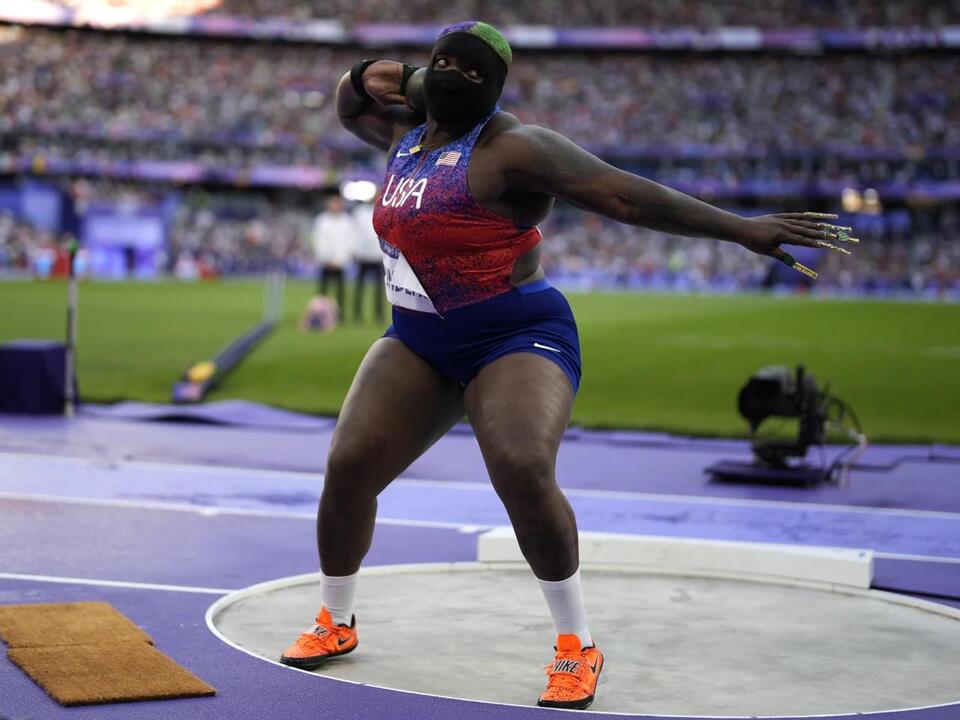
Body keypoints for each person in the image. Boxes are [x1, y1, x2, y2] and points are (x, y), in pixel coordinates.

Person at [280, 21, 853, 710]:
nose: (455, 80)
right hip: (420, 340)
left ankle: (576, 644)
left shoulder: (513, 148)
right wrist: (381, 68)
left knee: (521, 466)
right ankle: (335, 619)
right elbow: (349, 100)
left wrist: (742, 229)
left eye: (472, 74)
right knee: (348, 468)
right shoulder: (404, 137)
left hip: (516, 336)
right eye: (444, 68)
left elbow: (623, 195)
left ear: (494, 91)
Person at [310, 195, 356, 320]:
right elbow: (318, 240)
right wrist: (326, 258)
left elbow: (350, 242)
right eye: (333, 203)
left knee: (340, 290)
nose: (335, 206)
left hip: (340, 262)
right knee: (323, 290)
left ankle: (339, 315)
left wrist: (340, 258)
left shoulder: (347, 221)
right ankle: (319, 314)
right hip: (326, 262)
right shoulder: (322, 221)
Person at [350, 199, 386, 322]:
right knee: (359, 287)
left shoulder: (383, 211)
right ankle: (357, 313)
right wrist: (354, 249)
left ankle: (379, 314)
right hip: (363, 255)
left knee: (379, 288)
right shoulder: (360, 212)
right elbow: (354, 233)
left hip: (377, 255)